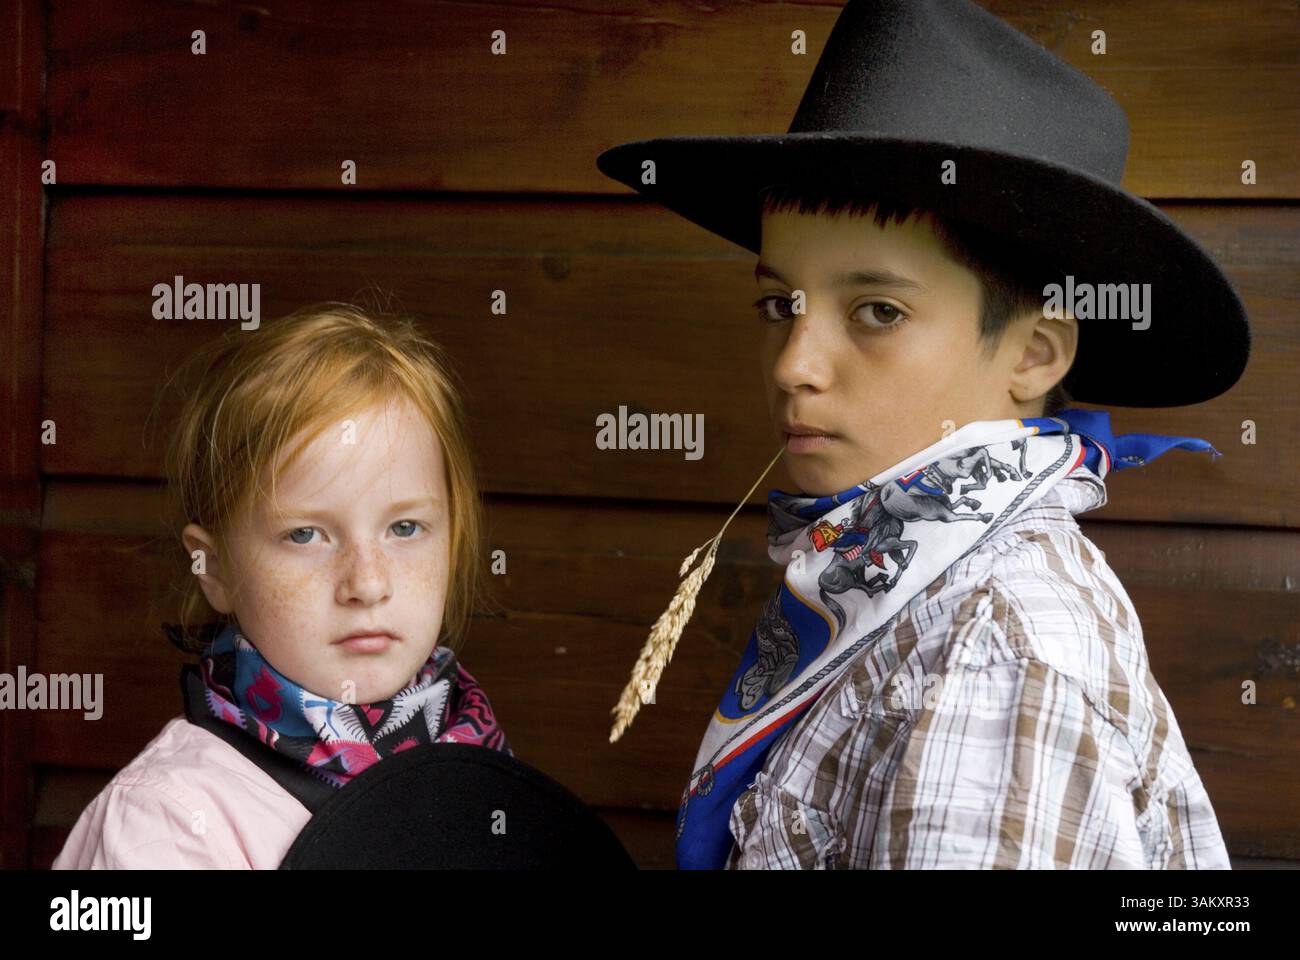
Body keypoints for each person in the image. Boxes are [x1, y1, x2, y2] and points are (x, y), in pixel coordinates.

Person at [598, 0, 1247, 868]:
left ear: (1034, 354)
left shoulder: (993, 652)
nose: (794, 364)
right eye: (779, 304)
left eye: (877, 310)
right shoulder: (894, 568)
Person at [53, 303, 510, 868]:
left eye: (405, 528)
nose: (367, 583)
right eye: (304, 535)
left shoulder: (484, 758)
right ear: (213, 568)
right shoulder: (167, 824)